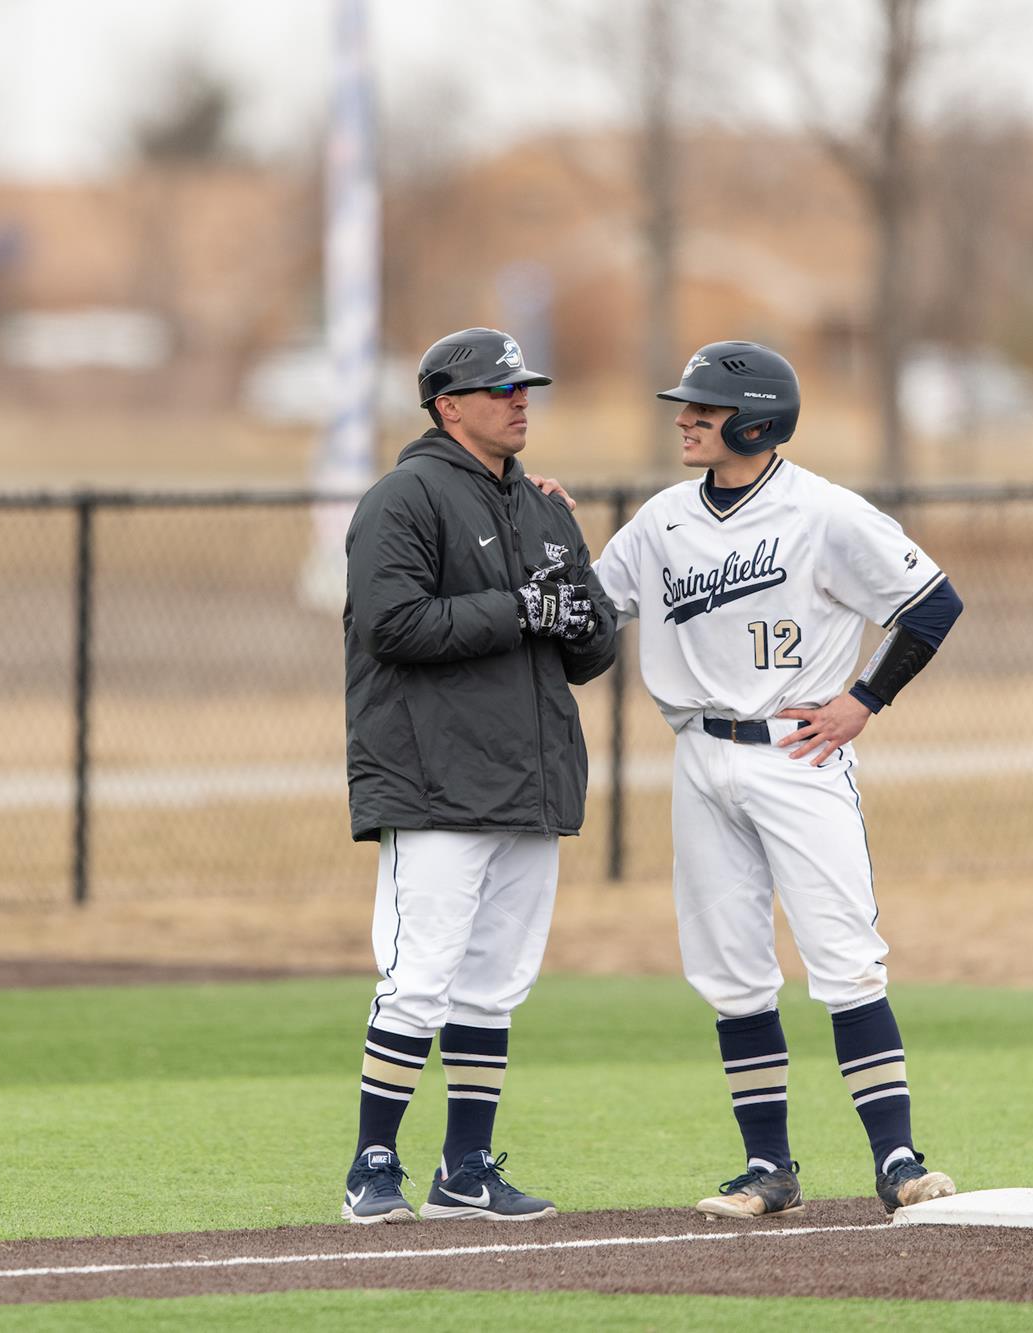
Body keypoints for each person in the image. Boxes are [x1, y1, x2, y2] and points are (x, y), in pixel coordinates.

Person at [586, 341, 964, 1218]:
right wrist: (547, 536)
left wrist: (865, 698)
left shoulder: (823, 512)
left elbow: (933, 602)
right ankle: (769, 1169)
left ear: (755, 420)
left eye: (704, 408)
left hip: (798, 756)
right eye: (686, 405)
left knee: (843, 958)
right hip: (699, 755)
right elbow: (594, 614)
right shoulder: (663, 519)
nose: (684, 418)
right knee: (731, 972)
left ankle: (899, 1160)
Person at [338, 327, 619, 1224]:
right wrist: (521, 608)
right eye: (500, 388)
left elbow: (592, 650)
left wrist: (575, 615)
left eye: (524, 385)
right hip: (434, 780)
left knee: (494, 984)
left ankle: (465, 1168)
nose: (520, 399)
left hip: (527, 781)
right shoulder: (404, 496)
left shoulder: (542, 506)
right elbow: (393, 624)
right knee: (419, 979)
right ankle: (371, 1162)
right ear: (446, 405)